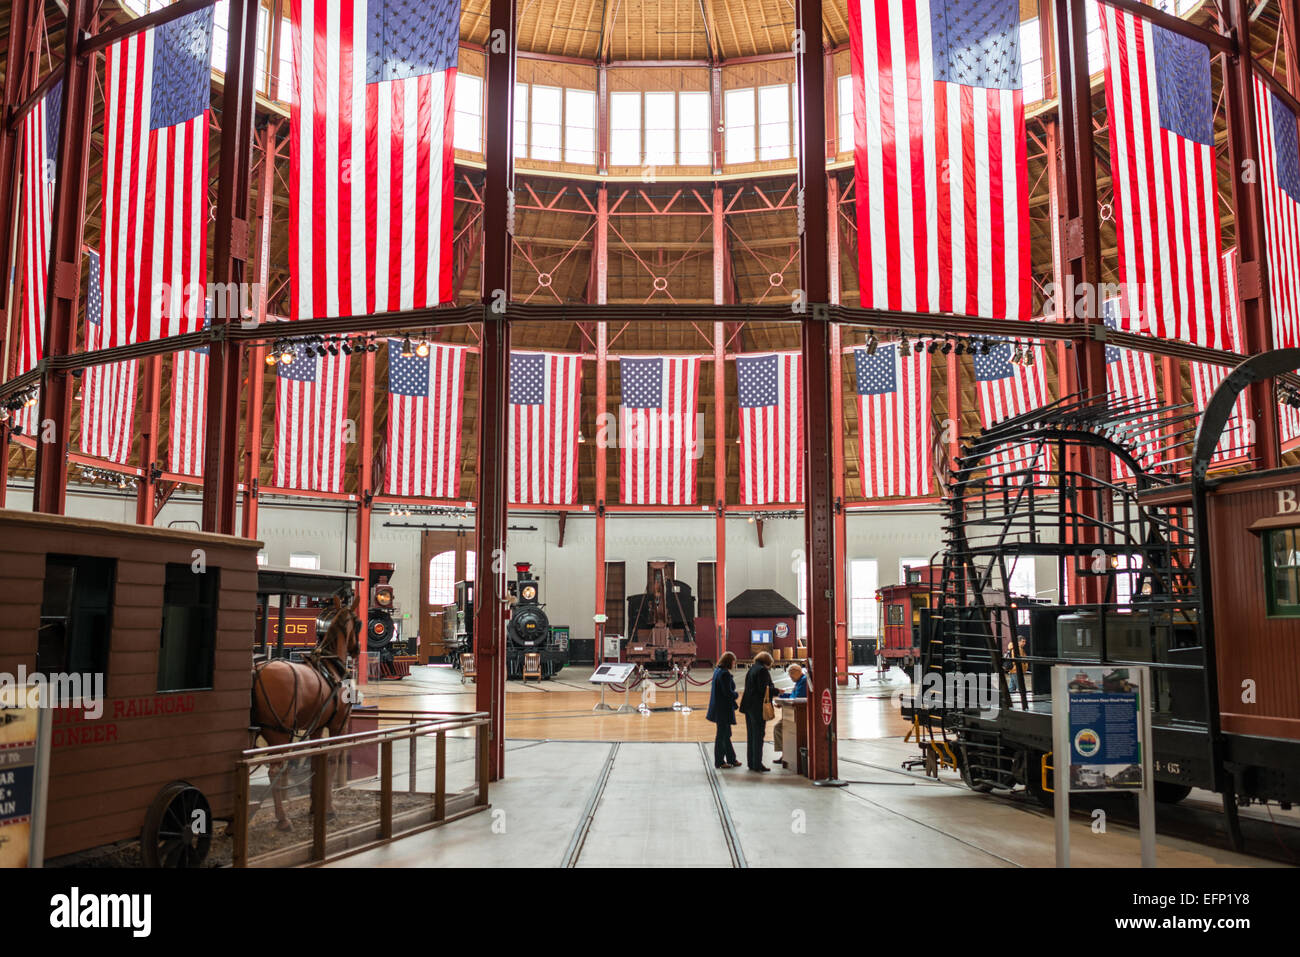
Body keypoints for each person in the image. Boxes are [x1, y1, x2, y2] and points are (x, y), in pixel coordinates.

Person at [738, 651, 779, 772]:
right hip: (757, 707)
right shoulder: (762, 671)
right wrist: (776, 691)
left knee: (751, 735)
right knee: (758, 735)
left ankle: (751, 762)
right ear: (767, 661)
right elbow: (763, 689)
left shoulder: (752, 669)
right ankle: (757, 764)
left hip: (748, 706)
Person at [706, 652, 741, 769]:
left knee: (726, 734)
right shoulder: (725, 674)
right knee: (722, 735)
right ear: (729, 662)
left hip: (718, 708)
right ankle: (719, 761)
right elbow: (728, 693)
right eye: (733, 661)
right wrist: (736, 695)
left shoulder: (717, 671)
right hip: (723, 710)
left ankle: (731, 759)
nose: (734, 664)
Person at [772, 663, 808, 766]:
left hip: (798, 713)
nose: (790, 677)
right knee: (780, 728)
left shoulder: (803, 681)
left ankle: (786, 754)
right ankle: (785, 753)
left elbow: (797, 698)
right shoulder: (799, 681)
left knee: (779, 728)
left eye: (792, 674)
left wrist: (783, 702)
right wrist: (781, 696)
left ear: (798, 672)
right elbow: (793, 695)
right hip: (792, 711)